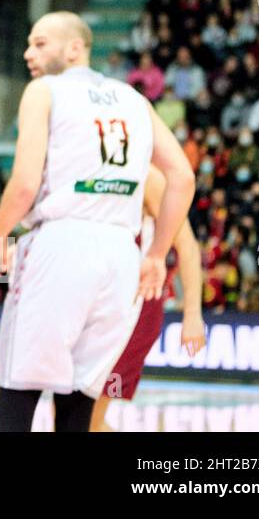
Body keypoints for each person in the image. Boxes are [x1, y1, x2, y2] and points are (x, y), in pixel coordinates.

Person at [0, 12, 194, 432]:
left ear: (74, 48)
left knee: (19, 389)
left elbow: (24, 182)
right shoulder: (135, 100)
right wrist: (156, 253)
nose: (27, 53)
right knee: (80, 401)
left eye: (40, 43)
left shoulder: (44, 91)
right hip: (120, 257)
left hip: (61, 243)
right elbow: (182, 177)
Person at [89, 166, 206, 431]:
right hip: (98, 305)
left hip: (135, 309)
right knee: (75, 416)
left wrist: (192, 315)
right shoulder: (91, 165)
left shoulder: (150, 177)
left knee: (86, 417)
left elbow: (187, 246)